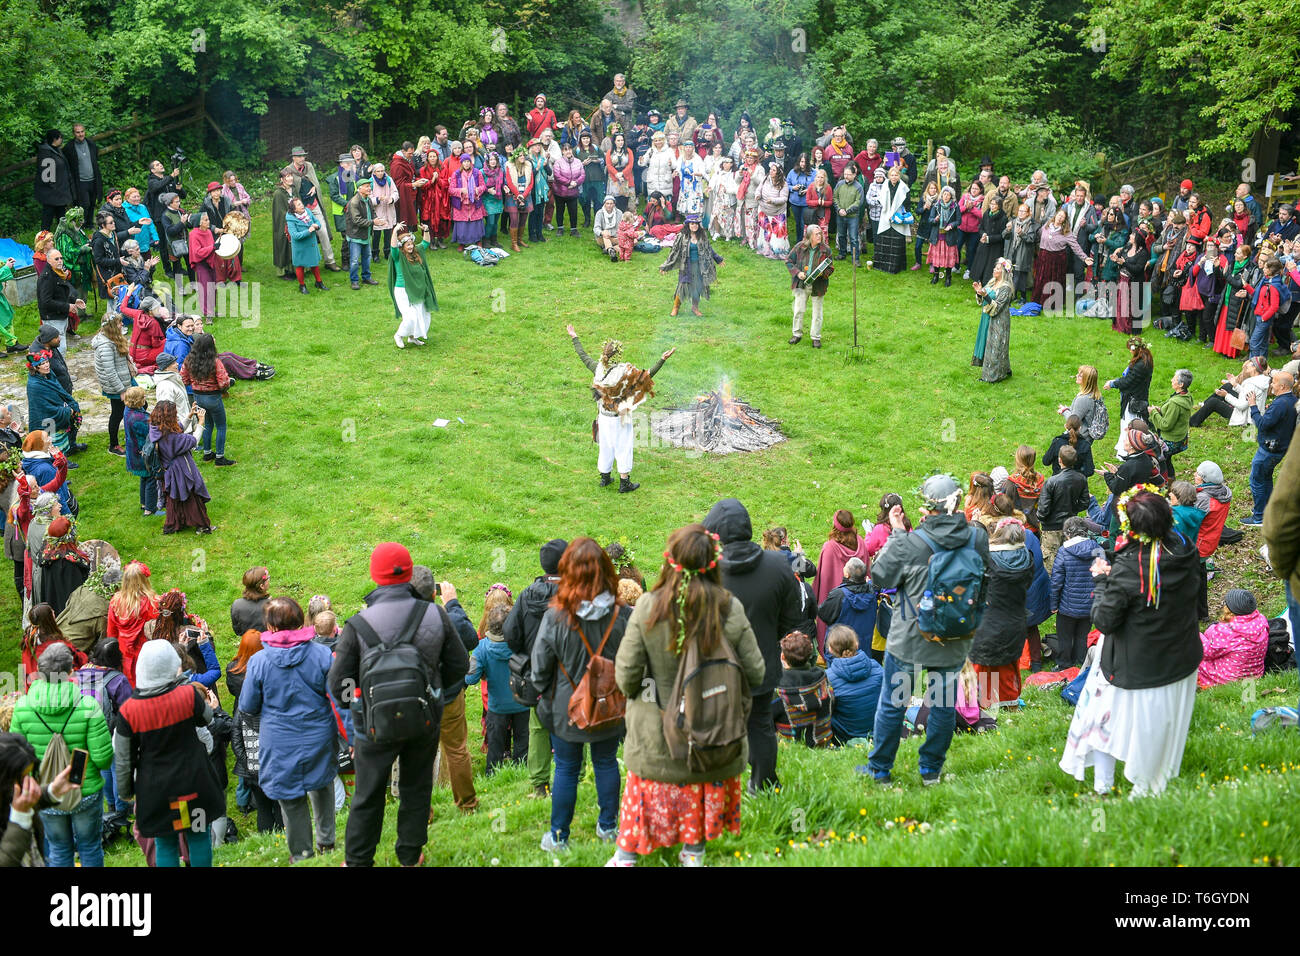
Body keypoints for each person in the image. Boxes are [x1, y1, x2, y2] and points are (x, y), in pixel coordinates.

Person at [327, 542, 469, 867]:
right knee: (416, 789)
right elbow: (460, 665)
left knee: (367, 796)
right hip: (424, 721)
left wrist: (361, 711)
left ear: (373, 575)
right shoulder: (434, 614)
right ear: (409, 570)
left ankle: (358, 861)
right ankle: (410, 857)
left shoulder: (357, 625)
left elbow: (338, 684)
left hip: (374, 728)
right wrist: (435, 696)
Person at [1061, 491, 1201, 797]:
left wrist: (1101, 581)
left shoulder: (1131, 566)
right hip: (1181, 657)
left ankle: (1113, 788)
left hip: (1137, 664)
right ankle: (1144, 785)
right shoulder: (1185, 548)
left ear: (1132, 528)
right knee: (1154, 732)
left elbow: (1105, 621)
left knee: (1099, 718)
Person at [868, 474, 991, 786]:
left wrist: (897, 535)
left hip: (910, 637)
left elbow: (881, 576)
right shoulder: (977, 538)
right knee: (942, 705)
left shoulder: (910, 542)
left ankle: (880, 770)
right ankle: (931, 771)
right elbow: (985, 581)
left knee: (894, 703)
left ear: (927, 506)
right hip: (955, 635)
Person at [529, 538, 630, 852]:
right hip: (609, 703)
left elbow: (539, 668)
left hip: (566, 705)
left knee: (566, 769)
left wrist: (544, 693)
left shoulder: (556, 616)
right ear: (605, 570)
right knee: (606, 762)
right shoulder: (621, 614)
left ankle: (559, 837)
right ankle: (609, 827)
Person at [702, 498, 804, 793]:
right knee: (760, 724)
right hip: (762, 663)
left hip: (716, 667)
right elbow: (791, 621)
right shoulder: (778, 565)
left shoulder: (707, 571)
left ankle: (719, 789)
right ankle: (763, 784)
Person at [237, 596, 337, 862]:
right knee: (322, 785)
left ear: (270, 628)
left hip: (280, 741)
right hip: (318, 736)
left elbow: (247, 706)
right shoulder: (322, 654)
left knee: (291, 799)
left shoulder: (259, 662)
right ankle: (326, 842)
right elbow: (338, 696)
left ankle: (302, 854)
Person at [114, 640, 225, 866]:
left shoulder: (129, 711)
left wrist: (126, 792)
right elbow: (206, 717)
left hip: (157, 790)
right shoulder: (187, 695)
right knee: (198, 834)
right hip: (193, 782)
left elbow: (124, 758)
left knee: (165, 842)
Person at [8, 643, 110, 867]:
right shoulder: (88, 706)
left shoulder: (23, 708)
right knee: (90, 846)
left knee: (58, 849)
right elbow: (103, 759)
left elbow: (16, 759)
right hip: (85, 790)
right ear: (71, 672)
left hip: (43, 791)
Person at [567, 326, 674, 493]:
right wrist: (662, 359)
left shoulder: (598, 368)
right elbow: (645, 377)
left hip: (603, 417)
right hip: (619, 419)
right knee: (623, 446)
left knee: (606, 446)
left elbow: (583, 356)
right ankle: (624, 483)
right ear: (617, 356)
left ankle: (605, 478)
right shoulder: (625, 372)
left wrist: (574, 337)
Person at [968, 519, 1033, 709]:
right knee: (1008, 663)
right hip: (1016, 618)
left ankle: (979, 703)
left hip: (989, 619)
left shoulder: (988, 559)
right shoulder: (1028, 557)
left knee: (981, 662)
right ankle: (1008, 703)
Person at [465, 604, 528, 774]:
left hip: (497, 706)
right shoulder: (522, 644)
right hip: (522, 703)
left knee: (495, 746)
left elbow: (470, 678)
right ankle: (521, 773)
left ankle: (492, 775)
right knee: (523, 743)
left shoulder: (482, 648)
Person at [1241, 369, 1297, 526]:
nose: (1271, 384)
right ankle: (1268, 509)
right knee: (1265, 478)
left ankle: (1259, 516)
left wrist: (1253, 406)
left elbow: (1262, 425)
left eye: (1274, 382)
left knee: (1257, 480)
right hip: (1280, 448)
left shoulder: (1280, 404)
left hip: (1269, 451)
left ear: (1282, 386)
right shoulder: (1292, 400)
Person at [149, 400, 214, 534]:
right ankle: (201, 526)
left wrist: (189, 416)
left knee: (174, 499)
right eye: (175, 414)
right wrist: (201, 423)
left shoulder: (157, 428)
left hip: (169, 470)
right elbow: (193, 441)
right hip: (180, 472)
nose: (177, 416)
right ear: (169, 417)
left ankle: (174, 525)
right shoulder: (171, 437)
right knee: (191, 498)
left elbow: (177, 428)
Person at [180, 333, 234, 467]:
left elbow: (184, 378)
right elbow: (224, 382)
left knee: (206, 424)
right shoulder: (215, 361)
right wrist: (224, 389)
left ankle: (207, 453)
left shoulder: (188, 360)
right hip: (213, 397)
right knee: (221, 426)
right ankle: (220, 458)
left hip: (198, 397)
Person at [823, 624, 883, 743]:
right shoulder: (877, 667)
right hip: (876, 730)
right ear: (856, 644)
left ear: (830, 649)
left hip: (844, 735)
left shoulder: (827, 678)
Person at [281, 147, 340, 270]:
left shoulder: (309, 166)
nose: (302, 158)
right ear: (293, 158)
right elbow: (287, 187)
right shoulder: (288, 170)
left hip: (314, 204)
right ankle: (307, 264)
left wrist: (314, 187)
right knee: (305, 235)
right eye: (299, 156)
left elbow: (315, 181)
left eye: (303, 156)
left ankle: (330, 261)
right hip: (301, 209)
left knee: (322, 231)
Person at [1198, 590, 1269, 689]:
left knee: (1192, 657)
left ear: (1229, 609)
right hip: (1255, 674)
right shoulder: (1261, 620)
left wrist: (1197, 635)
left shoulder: (1227, 630)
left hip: (1230, 679)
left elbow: (1206, 653)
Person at [659, 216, 723, 316]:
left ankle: (695, 307)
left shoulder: (702, 235)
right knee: (683, 286)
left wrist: (718, 259)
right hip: (686, 266)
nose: (694, 226)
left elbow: (708, 249)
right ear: (688, 224)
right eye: (692, 224)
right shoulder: (682, 236)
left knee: (698, 286)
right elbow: (674, 252)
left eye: (696, 224)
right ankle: (676, 307)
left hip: (700, 266)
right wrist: (666, 266)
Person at [388, 225, 438, 349]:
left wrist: (426, 230)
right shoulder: (398, 255)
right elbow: (393, 246)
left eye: (411, 244)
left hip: (417, 289)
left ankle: (412, 337)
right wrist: (395, 231)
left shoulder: (417, 252)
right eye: (407, 245)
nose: (410, 247)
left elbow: (426, 242)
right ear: (403, 246)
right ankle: (399, 335)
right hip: (402, 291)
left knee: (422, 313)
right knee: (410, 317)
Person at [786, 223, 834, 348]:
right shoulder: (799, 247)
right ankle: (797, 334)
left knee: (817, 313)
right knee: (798, 310)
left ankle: (815, 338)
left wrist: (822, 274)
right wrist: (797, 273)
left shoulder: (826, 249)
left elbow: (831, 268)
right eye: (816, 234)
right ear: (809, 236)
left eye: (820, 234)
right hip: (801, 284)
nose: (820, 236)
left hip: (818, 286)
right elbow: (789, 261)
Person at [25, 352, 81, 457]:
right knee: (54, 438)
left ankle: (71, 447)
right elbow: (44, 406)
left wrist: (70, 404)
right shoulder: (35, 385)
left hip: (59, 407)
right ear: (36, 367)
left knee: (73, 421)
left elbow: (60, 391)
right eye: (42, 364)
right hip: (46, 416)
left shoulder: (49, 375)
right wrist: (66, 411)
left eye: (47, 362)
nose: (47, 365)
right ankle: (59, 458)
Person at [90, 315, 131, 457]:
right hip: (116, 385)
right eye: (119, 322)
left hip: (125, 380)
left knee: (140, 406)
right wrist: (121, 390)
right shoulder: (105, 345)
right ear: (112, 326)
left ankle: (130, 437)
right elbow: (110, 371)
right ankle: (113, 445)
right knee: (117, 414)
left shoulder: (114, 338)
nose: (122, 324)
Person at [972, 257, 1016, 383]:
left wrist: (985, 295)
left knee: (995, 347)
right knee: (991, 345)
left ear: (1002, 272)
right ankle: (1005, 369)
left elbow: (997, 307)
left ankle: (991, 377)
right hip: (987, 318)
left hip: (998, 321)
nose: (994, 270)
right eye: (995, 268)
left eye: (997, 268)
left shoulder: (1006, 288)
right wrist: (979, 292)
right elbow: (983, 298)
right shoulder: (992, 282)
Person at [1147, 369, 1194, 468]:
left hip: (1171, 441)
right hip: (1181, 438)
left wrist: (1153, 412)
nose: (1171, 380)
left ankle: (1163, 481)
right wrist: (1161, 411)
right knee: (1167, 461)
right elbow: (1176, 415)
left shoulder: (1175, 403)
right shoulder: (1187, 396)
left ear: (1181, 385)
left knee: (1157, 462)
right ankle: (1171, 481)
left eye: (1174, 378)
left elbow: (1165, 425)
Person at [286, 198, 328, 295]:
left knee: (314, 263)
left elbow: (317, 222)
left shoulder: (307, 211)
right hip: (300, 246)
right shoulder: (290, 219)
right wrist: (308, 231)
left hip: (311, 244)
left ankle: (319, 282)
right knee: (300, 266)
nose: (302, 206)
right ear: (294, 210)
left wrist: (317, 226)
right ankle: (302, 285)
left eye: (301, 203)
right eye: (299, 205)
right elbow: (295, 235)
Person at [343, 177, 377, 290]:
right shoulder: (354, 202)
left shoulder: (368, 200)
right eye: (367, 186)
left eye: (369, 186)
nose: (369, 188)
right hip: (355, 236)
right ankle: (354, 281)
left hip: (365, 235)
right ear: (359, 188)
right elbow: (356, 220)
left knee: (367, 257)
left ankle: (366, 277)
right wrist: (373, 222)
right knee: (354, 260)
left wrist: (377, 220)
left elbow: (372, 213)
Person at [832, 162, 864, 265]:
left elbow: (858, 202)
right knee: (841, 235)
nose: (846, 176)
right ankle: (842, 253)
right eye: (845, 174)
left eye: (849, 174)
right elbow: (835, 197)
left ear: (854, 175)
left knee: (853, 238)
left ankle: (856, 259)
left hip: (852, 217)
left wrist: (847, 211)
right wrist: (839, 209)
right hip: (840, 215)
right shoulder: (839, 184)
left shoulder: (858, 187)